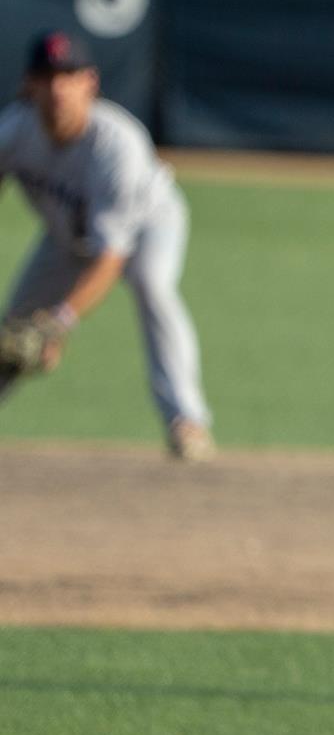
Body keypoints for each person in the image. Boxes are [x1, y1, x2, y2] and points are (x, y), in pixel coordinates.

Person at [0, 29, 214, 461]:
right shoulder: (14, 132)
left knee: (152, 284)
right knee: (14, 329)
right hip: (66, 235)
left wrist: (59, 323)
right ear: (30, 84)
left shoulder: (117, 145)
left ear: (90, 83)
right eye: (48, 77)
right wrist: (39, 324)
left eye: (69, 75)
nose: (59, 88)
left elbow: (110, 258)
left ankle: (187, 421)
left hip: (148, 224)